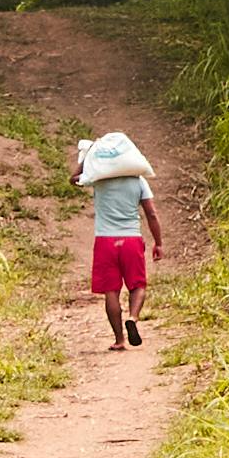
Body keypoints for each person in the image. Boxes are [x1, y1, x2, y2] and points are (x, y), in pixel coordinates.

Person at [71, 127, 160, 348]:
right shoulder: (138, 181)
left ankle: (119, 340)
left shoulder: (99, 180)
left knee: (111, 291)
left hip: (105, 241)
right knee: (138, 285)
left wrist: (89, 155)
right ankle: (133, 317)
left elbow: (74, 179)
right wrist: (158, 243)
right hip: (131, 240)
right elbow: (151, 214)